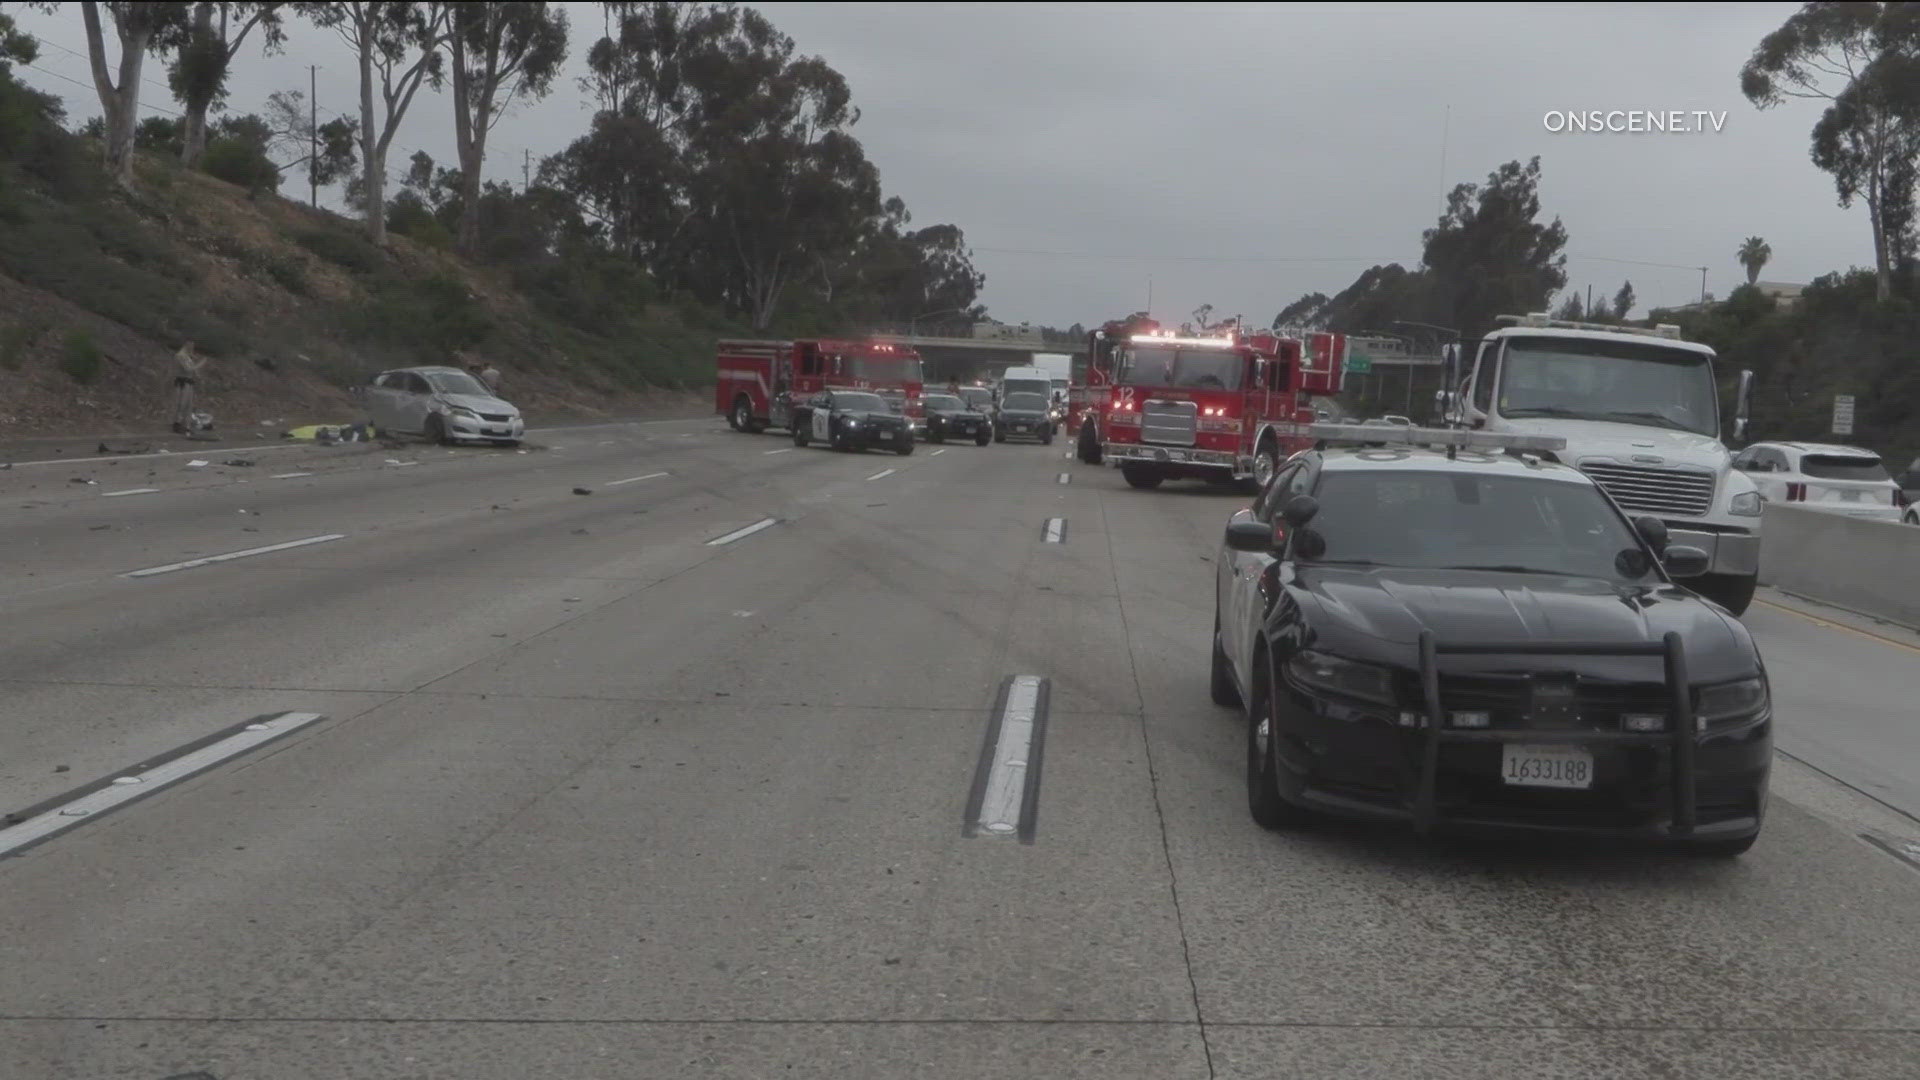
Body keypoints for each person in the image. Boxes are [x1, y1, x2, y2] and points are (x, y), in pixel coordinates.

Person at [171, 341, 204, 434]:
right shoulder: (180, 356)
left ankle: (186, 425)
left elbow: (192, 369)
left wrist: (197, 373)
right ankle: (177, 423)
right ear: (186, 346)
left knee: (188, 405)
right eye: (191, 346)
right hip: (182, 382)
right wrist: (200, 364)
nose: (192, 349)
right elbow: (187, 368)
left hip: (189, 382)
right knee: (181, 404)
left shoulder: (188, 357)